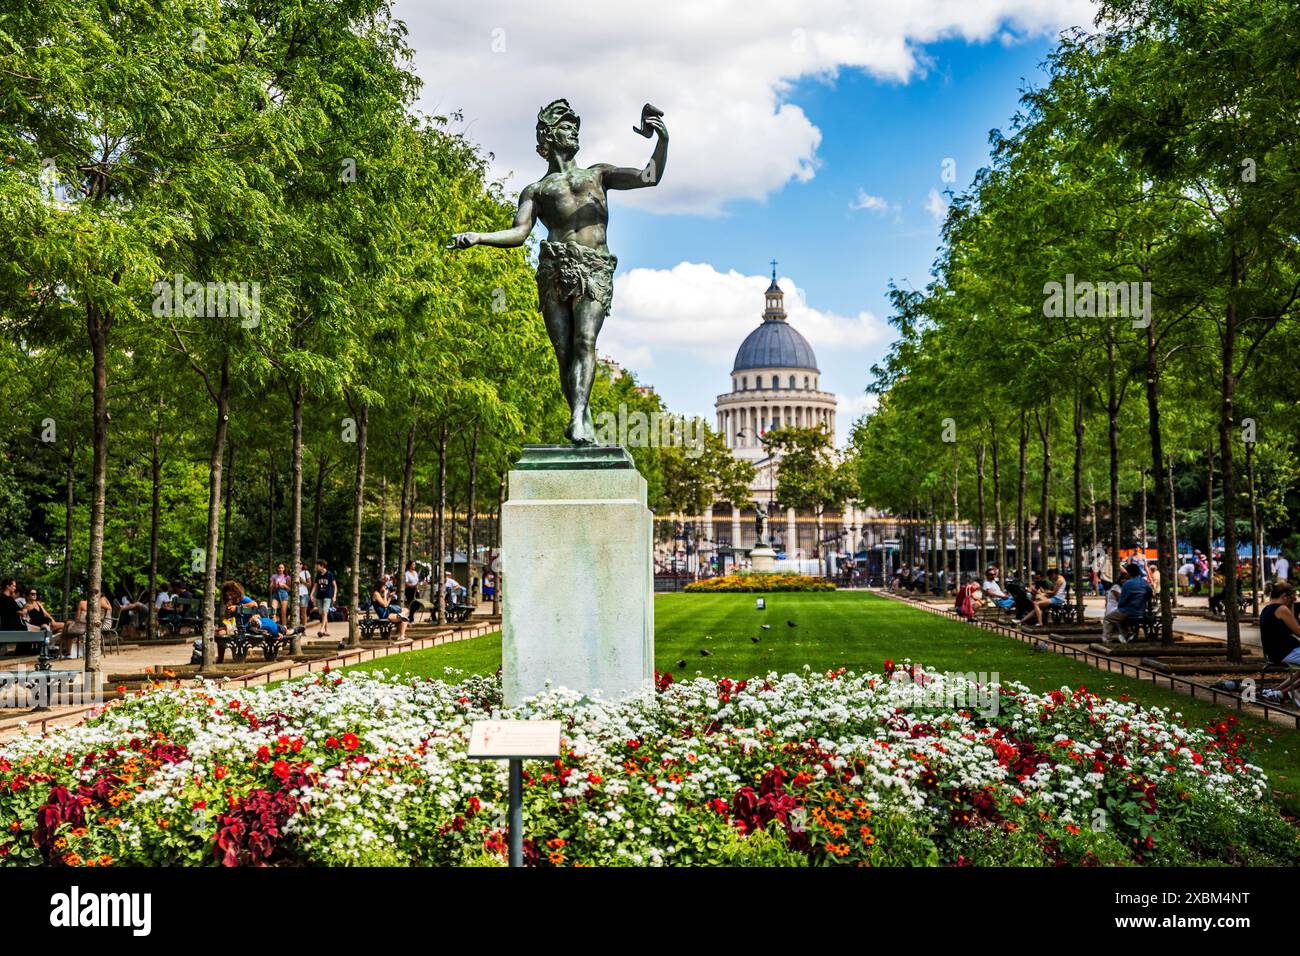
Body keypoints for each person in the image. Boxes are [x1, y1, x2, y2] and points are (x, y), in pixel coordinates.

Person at [449, 98, 668, 444]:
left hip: (593, 269)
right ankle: (583, 417)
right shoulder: (536, 190)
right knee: (564, 350)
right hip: (553, 269)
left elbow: (648, 178)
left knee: (584, 341)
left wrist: (662, 141)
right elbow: (519, 233)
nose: (575, 133)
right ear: (549, 136)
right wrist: (479, 237)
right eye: (567, 128)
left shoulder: (599, 175)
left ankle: (577, 419)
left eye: (576, 128)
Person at [1260, 582, 1300, 707]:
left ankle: (1275, 691)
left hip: (1274, 652)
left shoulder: (1266, 609)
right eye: (1290, 599)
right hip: (1285, 651)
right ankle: (1282, 694)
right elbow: (1298, 631)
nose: (1290, 603)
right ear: (1284, 596)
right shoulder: (1281, 609)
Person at [1102, 563, 1150, 644]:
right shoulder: (1145, 583)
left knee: (1108, 618)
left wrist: (1120, 608)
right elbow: (1149, 595)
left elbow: (1122, 601)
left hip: (1129, 610)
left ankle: (1106, 640)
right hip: (1142, 610)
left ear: (1129, 573)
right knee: (1117, 618)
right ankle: (1128, 635)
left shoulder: (1127, 584)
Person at [313, 560, 337, 644]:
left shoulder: (329, 574)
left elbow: (335, 586)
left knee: (325, 612)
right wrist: (312, 594)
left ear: (322, 565)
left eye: (317, 565)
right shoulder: (318, 575)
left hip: (327, 596)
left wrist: (334, 596)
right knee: (322, 613)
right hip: (319, 596)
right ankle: (326, 630)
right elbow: (315, 586)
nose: (316, 567)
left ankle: (321, 629)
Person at [296, 562, 312, 627]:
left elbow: (310, 585)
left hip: (304, 594)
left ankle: (303, 628)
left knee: (303, 613)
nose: (298, 565)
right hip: (296, 595)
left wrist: (303, 581)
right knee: (296, 613)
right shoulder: (293, 572)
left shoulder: (306, 572)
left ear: (302, 565)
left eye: (299, 563)